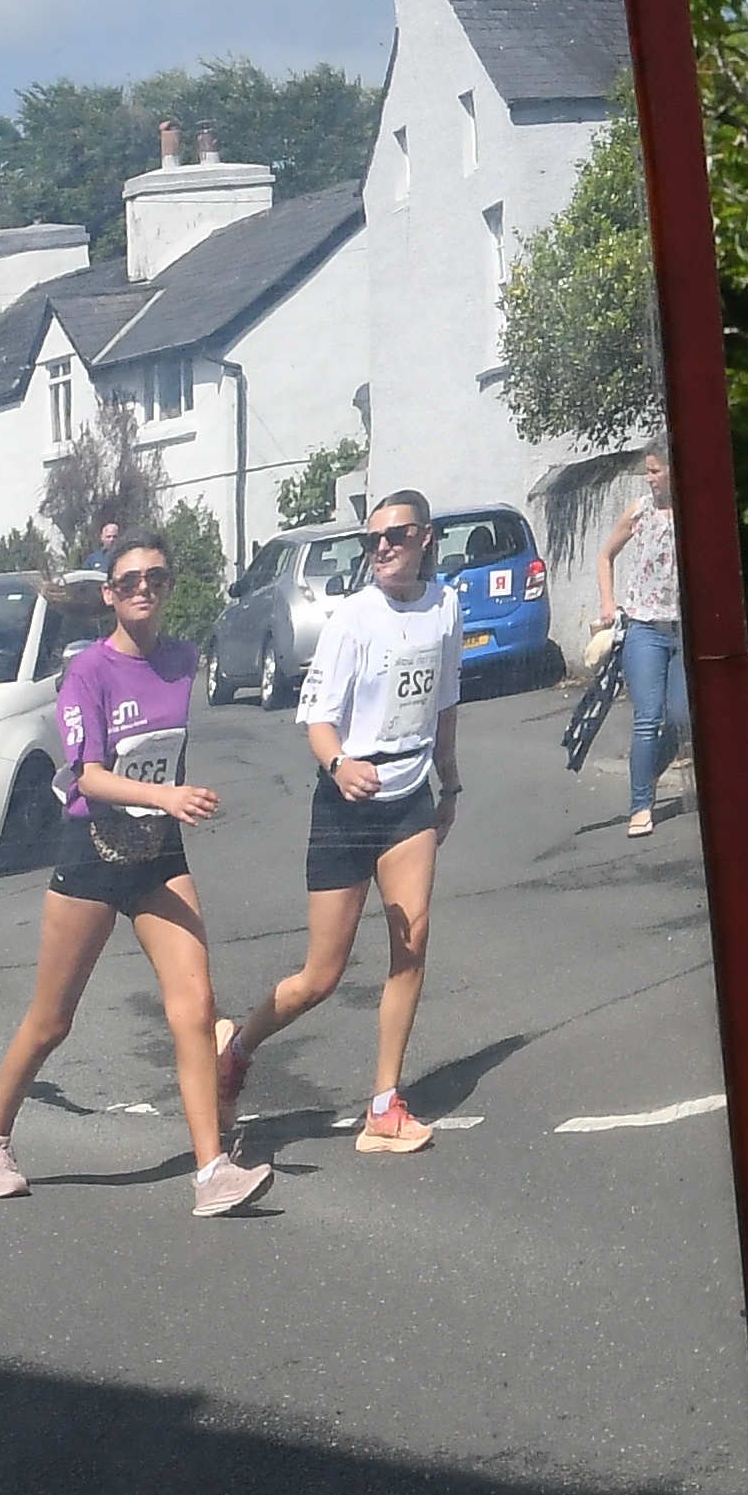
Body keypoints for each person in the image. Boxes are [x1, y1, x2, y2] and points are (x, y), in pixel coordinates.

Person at [0, 542, 271, 1219]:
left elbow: (165, 756)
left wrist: (165, 804)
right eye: (129, 580)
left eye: (156, 578)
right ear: (109, 593)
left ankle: (211, 1171)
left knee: (195, 1007)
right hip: (92, 854)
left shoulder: (184, 662)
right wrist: (168, 797)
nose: (143, 589)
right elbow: (88, 776)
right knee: (52, 1020)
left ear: (168, 587)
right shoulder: (88, 673)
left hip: (159, 855)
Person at [220, 490, 458, 1156]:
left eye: (396, 536)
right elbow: (316, 717)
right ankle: (236, 1048)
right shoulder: (354, 618)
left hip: (410, 791)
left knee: (411, 948)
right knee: (321, 977)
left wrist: (452, 781)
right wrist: (338, 765)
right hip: (349, 802)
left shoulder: (445, 607)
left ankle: (384, 1105)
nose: (382, 548)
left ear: (424, 538)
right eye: (372, 538)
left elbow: (445, 703)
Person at [594, 443, 687, 837]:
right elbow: (605, 556)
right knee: (648, 716)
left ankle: (646, 774)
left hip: (684, 628)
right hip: (644, 628)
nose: (650, 479)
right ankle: (639, 805)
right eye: (647, 472)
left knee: (683, 717)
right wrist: (609, 605)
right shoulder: (639, 511)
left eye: (655, 471)